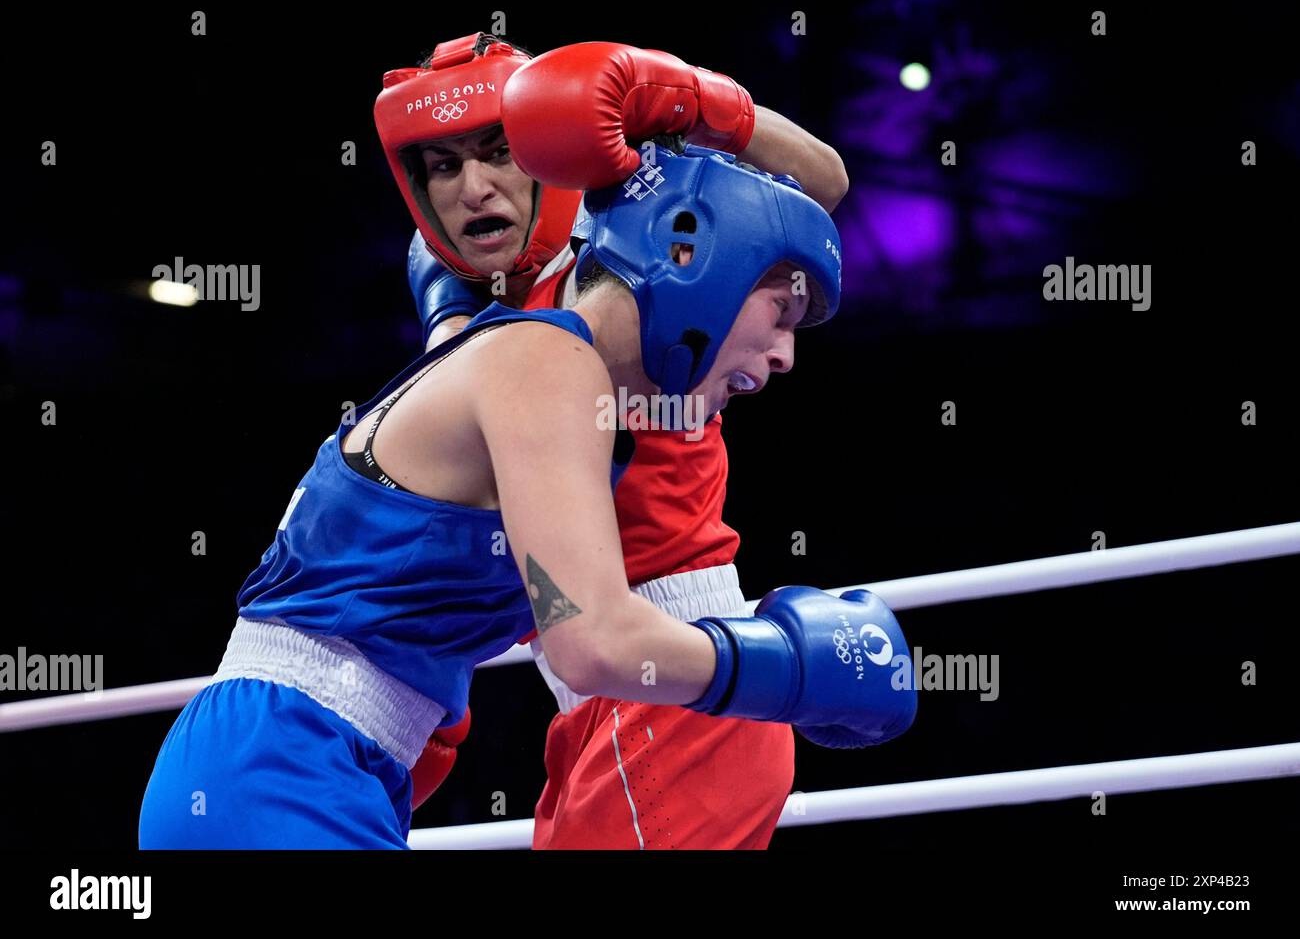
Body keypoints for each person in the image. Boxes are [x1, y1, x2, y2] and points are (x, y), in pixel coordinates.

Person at [137, 139, 915, 849]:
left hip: (302, 767)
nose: (784, 355)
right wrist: (790, 666)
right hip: (280, 769)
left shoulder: (526, 365)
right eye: (781, 312)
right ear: (702, 261)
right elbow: (593, 643)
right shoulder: (545, 363)